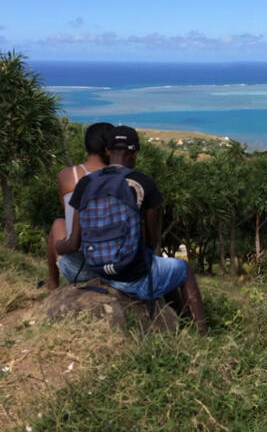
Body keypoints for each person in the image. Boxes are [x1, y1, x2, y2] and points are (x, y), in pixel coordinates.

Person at [56, 126, 208, 334]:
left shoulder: (86, 183)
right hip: (131, 278)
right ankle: (202, 334)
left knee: (65, 261)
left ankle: (180, 318)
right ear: (134, 153)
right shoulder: (143, 183)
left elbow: (73, 243)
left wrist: (58, 245)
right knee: (183, 270)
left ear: (108, 151)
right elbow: (152, 240)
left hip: (95, 270)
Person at [46, 122, 114, 291]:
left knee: (58, 224)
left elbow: (70, 214)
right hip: (116, 267)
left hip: (79, 270)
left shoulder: (68, 176)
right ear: (109, 148)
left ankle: (53, 283)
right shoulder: (121, 178)